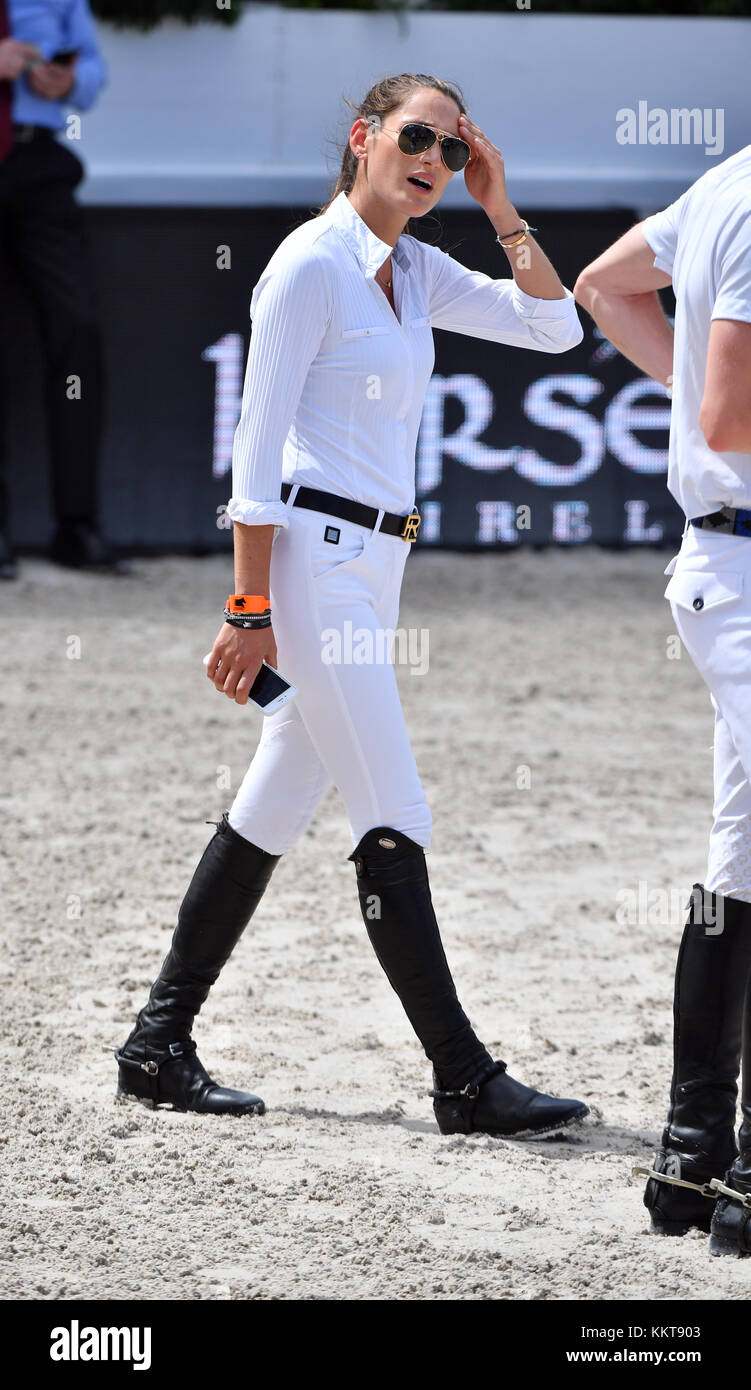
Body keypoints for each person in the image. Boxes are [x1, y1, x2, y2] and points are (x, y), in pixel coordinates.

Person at [115, 71, 589, 1139]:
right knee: (395, 810)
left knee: (280, 793)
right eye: (417, 138)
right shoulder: (308, 265)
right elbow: (253, 443)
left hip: (376, 565)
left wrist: (501, 210)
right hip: (310, 562)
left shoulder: (418, 268)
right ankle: (462, 1076)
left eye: (452, 150)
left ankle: (156, 1042)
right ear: (363, 136)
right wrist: (247, 606)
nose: (433, 162)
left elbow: (556, 332)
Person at [574, 144, 751, 1252]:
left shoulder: (726, 180)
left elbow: (602, 285)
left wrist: (686, 399)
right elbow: (731, 414)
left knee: (741, 855)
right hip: (742, 563)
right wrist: (696, 403)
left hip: (723, 560)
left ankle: (691, 1170)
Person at [0, 0, 122, 580]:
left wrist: (69, 79)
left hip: (35, 161)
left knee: (78, 331)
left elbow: (92, 71)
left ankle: (77, 524)